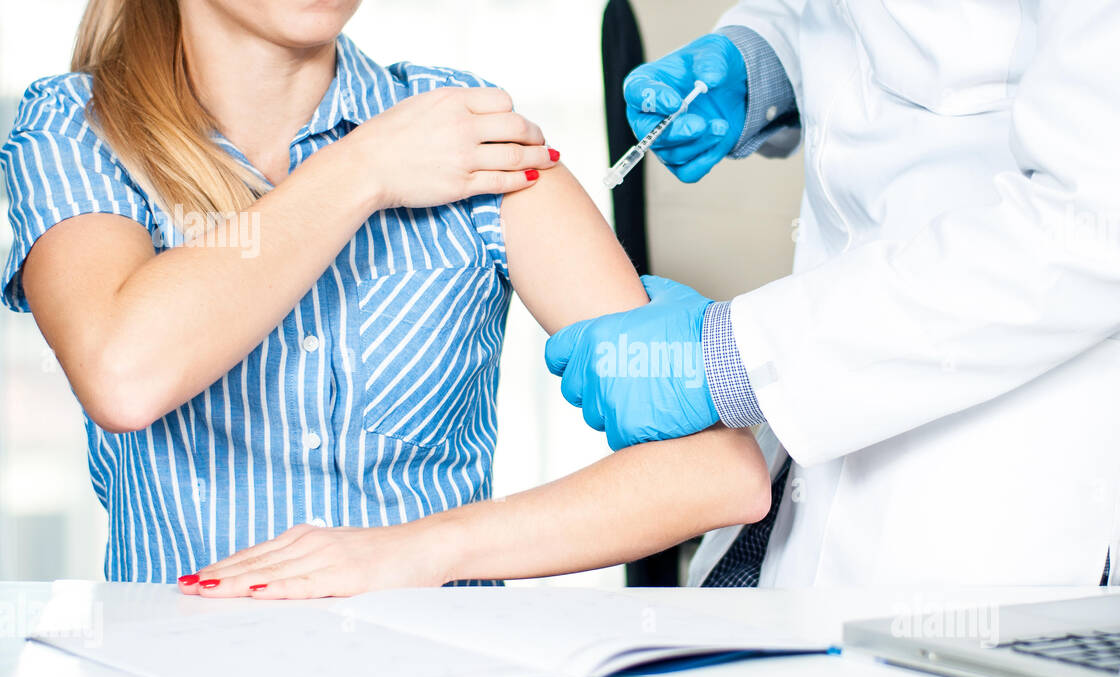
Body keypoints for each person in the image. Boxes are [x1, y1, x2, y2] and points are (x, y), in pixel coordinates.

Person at [0, 0, 771, 598]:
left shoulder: (466, 129)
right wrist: (363, 167)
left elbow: (717, 472)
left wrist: (421, 550)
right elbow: (124, 373)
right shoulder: (75, 129)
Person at [545, 1, 1120, 587]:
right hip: (832, 435)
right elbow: (898, 30)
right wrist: (768, 58)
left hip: (1019, 475)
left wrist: (733, 358)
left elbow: (1100, 226)